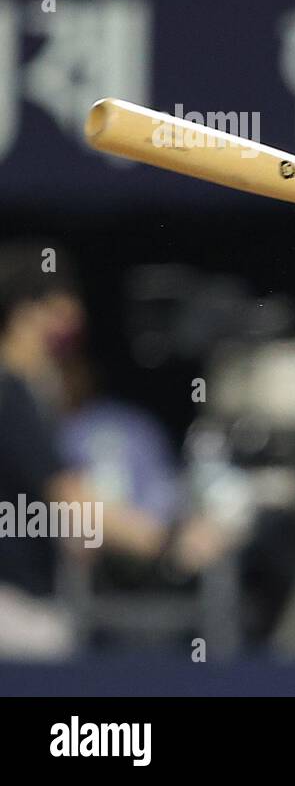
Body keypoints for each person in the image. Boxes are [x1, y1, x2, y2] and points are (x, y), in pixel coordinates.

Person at [0, 241, 225, 659]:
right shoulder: (8, 392)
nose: (75, 318)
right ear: (28, 310)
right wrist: (166, 542)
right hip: (13, 609)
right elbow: (73, 502)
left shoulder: (31, 393)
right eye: (63, 304)